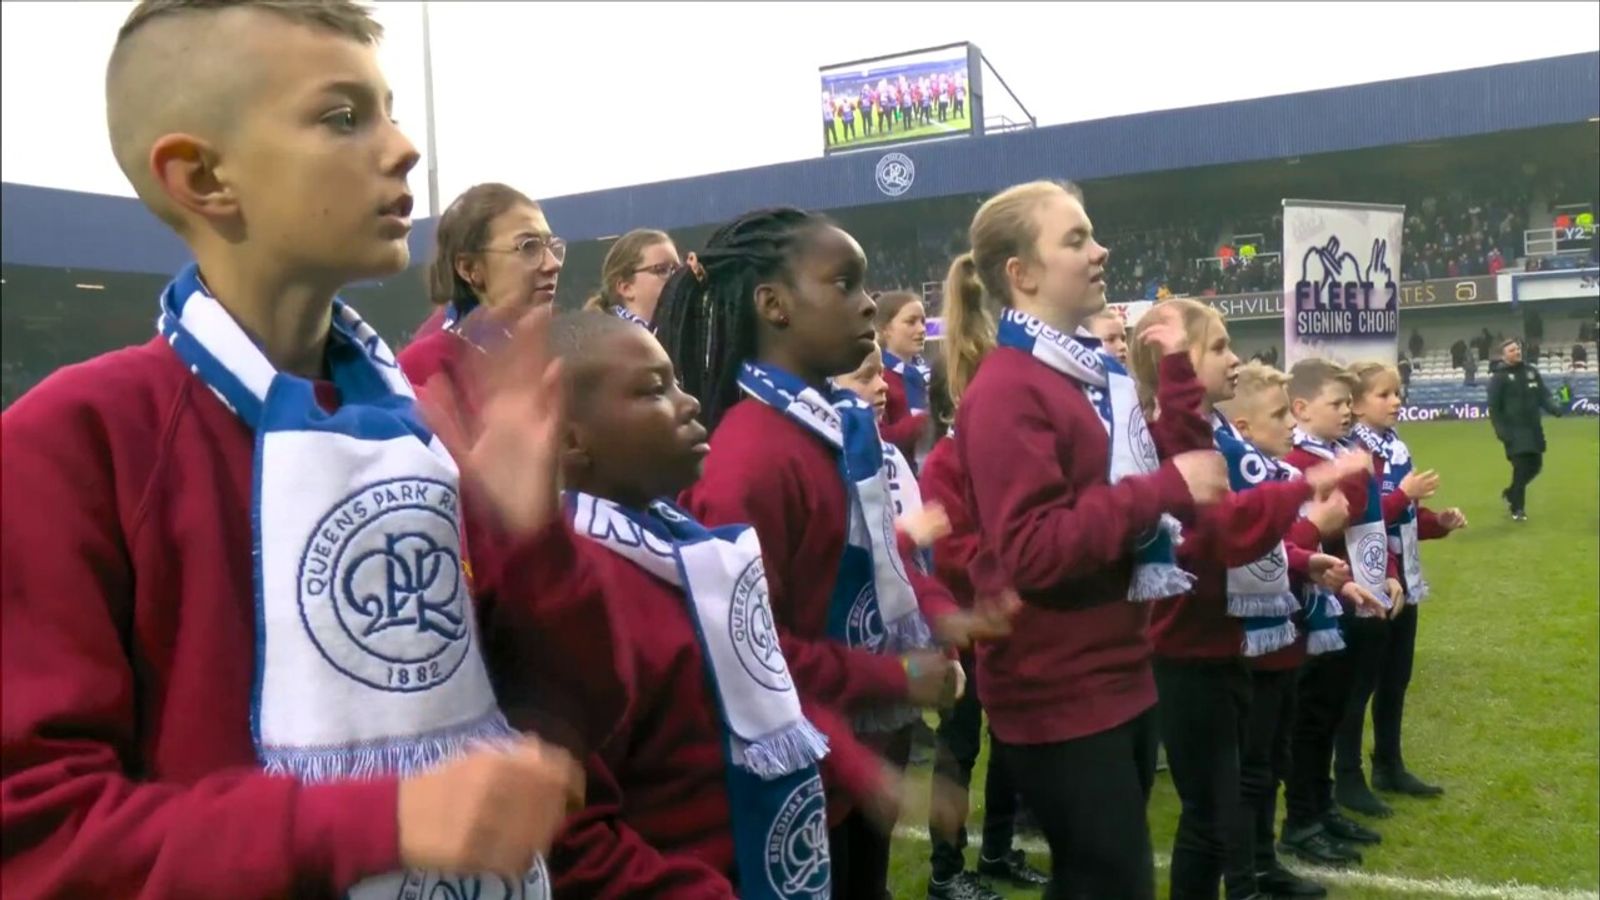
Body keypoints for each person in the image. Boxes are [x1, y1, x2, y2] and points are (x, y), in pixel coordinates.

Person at [2, 2, 627, 896]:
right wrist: (383, 820)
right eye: (344, 116)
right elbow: (39, 835)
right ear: (204, 176)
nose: (405, 146)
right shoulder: (73, 442)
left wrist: (531, 545)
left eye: (392, 107)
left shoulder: (428, 418)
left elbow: (582, 723)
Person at [658, 207, 1014, 899]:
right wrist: (899, 675)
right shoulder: (748, 463)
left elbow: (890, 560)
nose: (866, 305)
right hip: (792, 782)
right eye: (845, 284)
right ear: (774, 305)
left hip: (847, 765)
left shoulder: (837, 431)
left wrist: (941, 615)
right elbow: (753, 658)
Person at [941, 179, 1230, 899]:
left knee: (1099, 882)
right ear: (1023, 274)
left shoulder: (1081, 373)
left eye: (1091, 234)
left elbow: (1165, 477)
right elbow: (1034, 550)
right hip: (1058, 685)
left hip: (1118, 669)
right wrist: (1165, 488)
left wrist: (1177, 394)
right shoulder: (1010, 389)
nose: (1099, 250)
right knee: (1113, 884)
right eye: (1075, 239)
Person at [545, 312, 860, 898]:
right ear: (568, 439)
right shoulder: (572, 596)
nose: (689, 403)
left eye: (678, 381)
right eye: (653, 390)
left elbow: (758, 708)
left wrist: (858, 770)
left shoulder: (687, 545)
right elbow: (569, 831)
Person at [1129, 301, 1369, 900]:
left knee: (1224, 808)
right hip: (1188, 652)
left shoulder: (1210, 433)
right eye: (1217, 348)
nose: (1234, 358)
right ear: (1178, 364)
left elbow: (1235, 529)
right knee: (1209, 822)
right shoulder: (1167, 433)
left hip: (1221, 643)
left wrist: (1303, 556)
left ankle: (1254, 875)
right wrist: (1304, 495)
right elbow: (1222, 533)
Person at [1214, 362, 1361, 899]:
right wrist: (1309, 533)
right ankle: (1243, 879)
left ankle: (1262, 862)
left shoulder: (1268, 471)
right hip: (1254, 639)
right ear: (1245, 428)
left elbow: (1278, 549)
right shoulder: (1239, 471)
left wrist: (1307, 562)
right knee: (1251, 768)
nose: (1288, 426)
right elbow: (1250, 545)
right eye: (1278, 415)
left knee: (1271, 760)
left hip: (1285, 632)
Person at [1280, 360, 1399, 863]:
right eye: (1337, 404)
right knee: (1312, 714)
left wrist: (1386, 567)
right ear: (1301, 408)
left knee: (1332, 709)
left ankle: (1320, 805)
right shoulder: (1300, 461)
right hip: (1320, 604)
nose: (1347, 412)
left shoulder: (1344, 452)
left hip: (1357, 594)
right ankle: (1301, 819)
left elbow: (1370, 522)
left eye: (1350, 403)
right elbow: (1325, 523)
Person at [1346, 362, 1467, 804]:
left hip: (1403, 582)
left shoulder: (1395, 446)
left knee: (1396, 679)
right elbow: (1367, 514)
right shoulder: (1355, 452)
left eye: (1398, 393)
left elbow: (1405, 519)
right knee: (1360, 686)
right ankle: (1348, 777)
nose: (1397, 401)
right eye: (1384, 394)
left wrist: (1438, 523)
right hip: (1369, 583)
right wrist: (1405, 495)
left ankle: (1389, 765)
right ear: (1356, 404)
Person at [405, 182, 566, 353]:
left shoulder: (547, 351)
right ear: (469, 269)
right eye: (529, 246)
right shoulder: (429, 366)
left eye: (551, 246)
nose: (553, 264)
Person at [1488, 338, 1563, 521]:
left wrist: (1554, 408)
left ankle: (1511, 492)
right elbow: (1494, 408)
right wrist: (1501, 431)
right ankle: (1518, 509)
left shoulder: (1531, 372)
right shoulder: (1499, 377)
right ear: (1504, 356)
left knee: (1536, 466)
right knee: (1521, 469)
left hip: (1533, 429)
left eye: (1517, 349)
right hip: (1514, 432)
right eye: (1512, 350)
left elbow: (1543, 395)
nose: (1516, 352)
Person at [582, 228, 682, 329]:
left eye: (678, 270)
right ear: (626, 288)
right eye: (662, 270)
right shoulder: (608, 340)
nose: (675, 277)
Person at [875, 291, 933, 464]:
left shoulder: (931, 372)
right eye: (911, 322)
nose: (921, 329)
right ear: (885, 329)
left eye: (923, 321)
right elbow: (878, 438)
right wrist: (928, 420)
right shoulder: (877, 377)